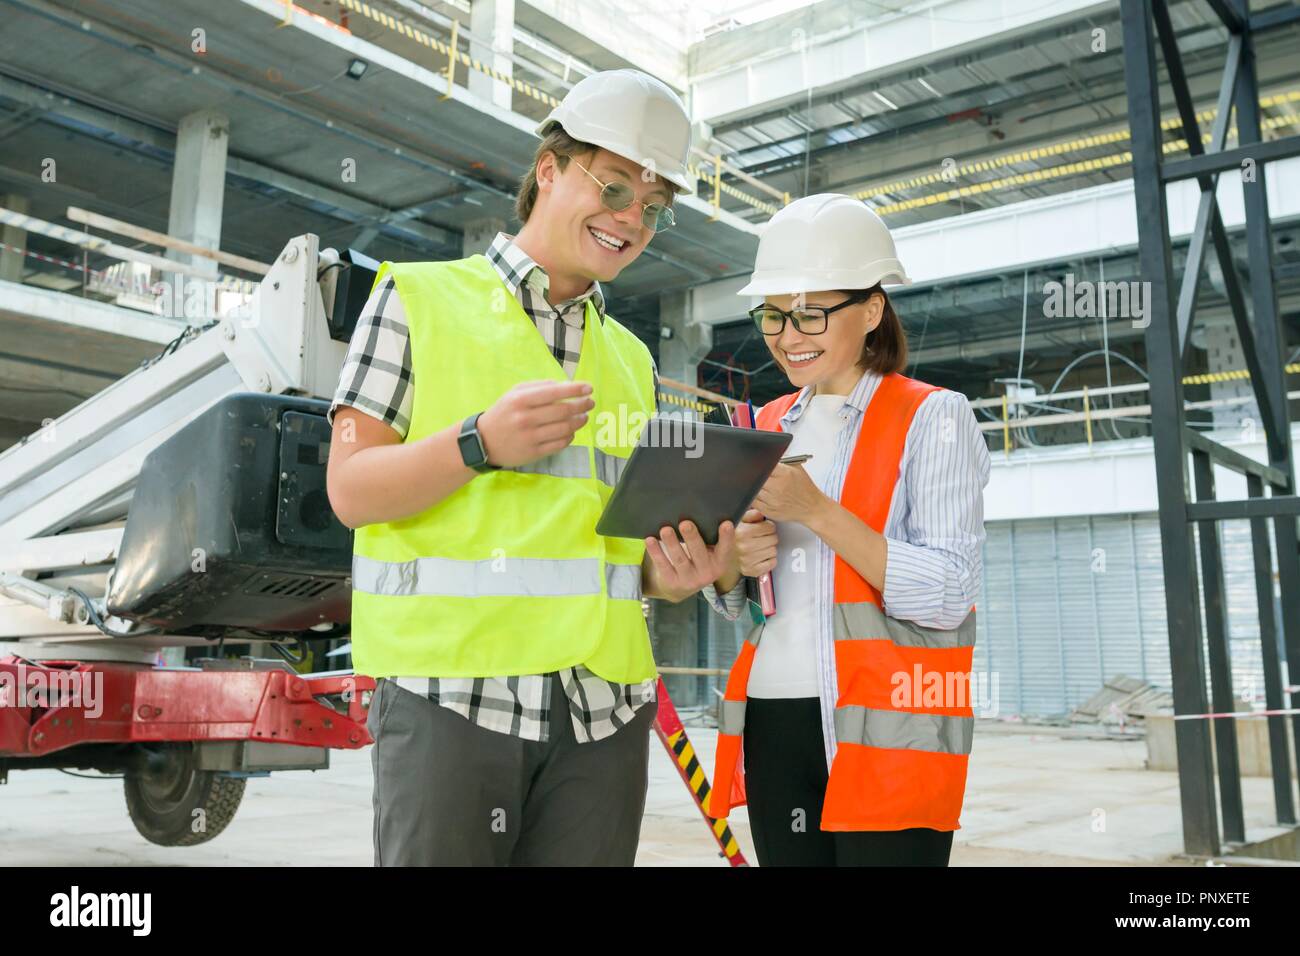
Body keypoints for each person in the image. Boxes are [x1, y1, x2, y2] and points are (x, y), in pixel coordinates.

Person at [326, 69, 737, 866]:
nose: (631, 221)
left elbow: (611, 550)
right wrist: (477, 442)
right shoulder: (414, 299)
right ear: (548, 169)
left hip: (604, 712)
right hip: (456, 700)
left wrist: (673, 573)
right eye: (613, 188)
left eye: (652, 210)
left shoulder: (633, 358)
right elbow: (350, 490)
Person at [701, 193, 991, 866]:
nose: (787, 334)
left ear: (870, 309)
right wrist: (733, 563)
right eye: (773, 314)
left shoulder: (933, 417)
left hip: (891, 723)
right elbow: (736, 599)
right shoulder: (761, 423)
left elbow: (948, 594)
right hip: (775, 714)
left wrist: (817, 511)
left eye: (809, 313)